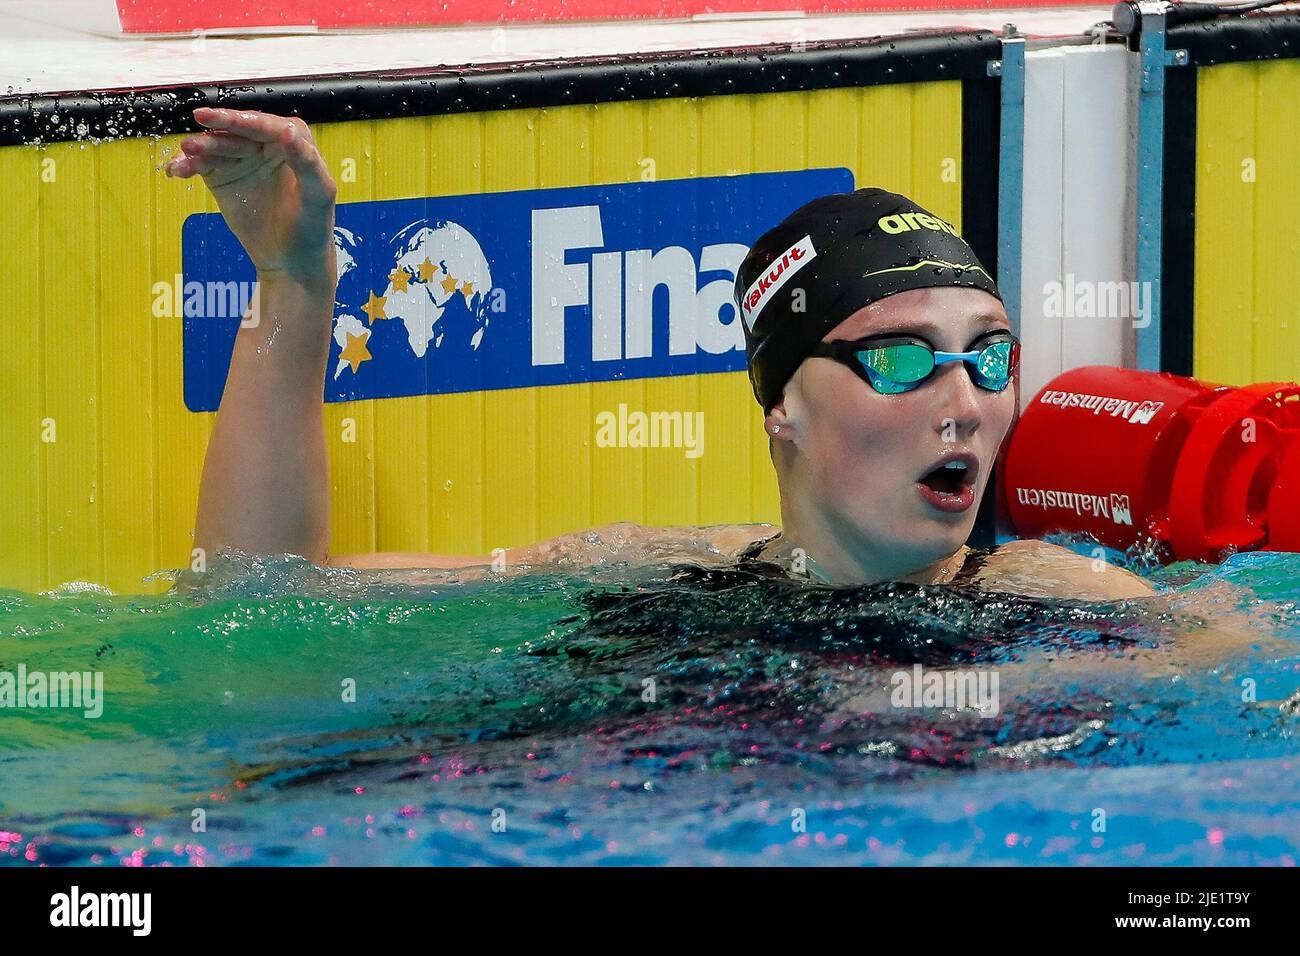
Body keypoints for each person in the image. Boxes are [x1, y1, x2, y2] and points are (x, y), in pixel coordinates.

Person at [170, 106, 1154, 601]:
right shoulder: (654, 574)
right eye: (901, 359)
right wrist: (295, 278)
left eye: (990, 358)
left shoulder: (1056, 597)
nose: (964, 403)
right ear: (784, 409)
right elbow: (258, 597)